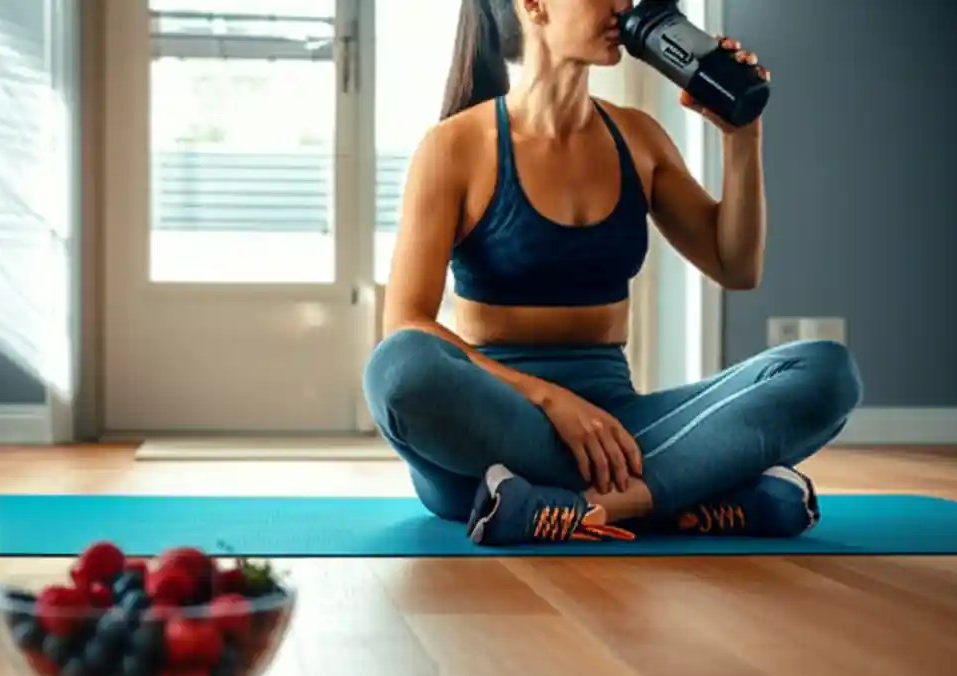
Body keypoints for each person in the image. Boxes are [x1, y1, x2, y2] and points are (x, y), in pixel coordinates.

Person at [362, 0, 863, 546]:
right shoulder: (456, 147)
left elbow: (736, 266)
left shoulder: (638, 139)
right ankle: (697, 489)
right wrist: (551, 400)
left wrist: (741, 138)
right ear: (533, 5)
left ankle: (577, 506)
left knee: (825, 370)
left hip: (621, 428)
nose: (625, 6)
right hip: (498, 421)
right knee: (399, 369)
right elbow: (406, 322)